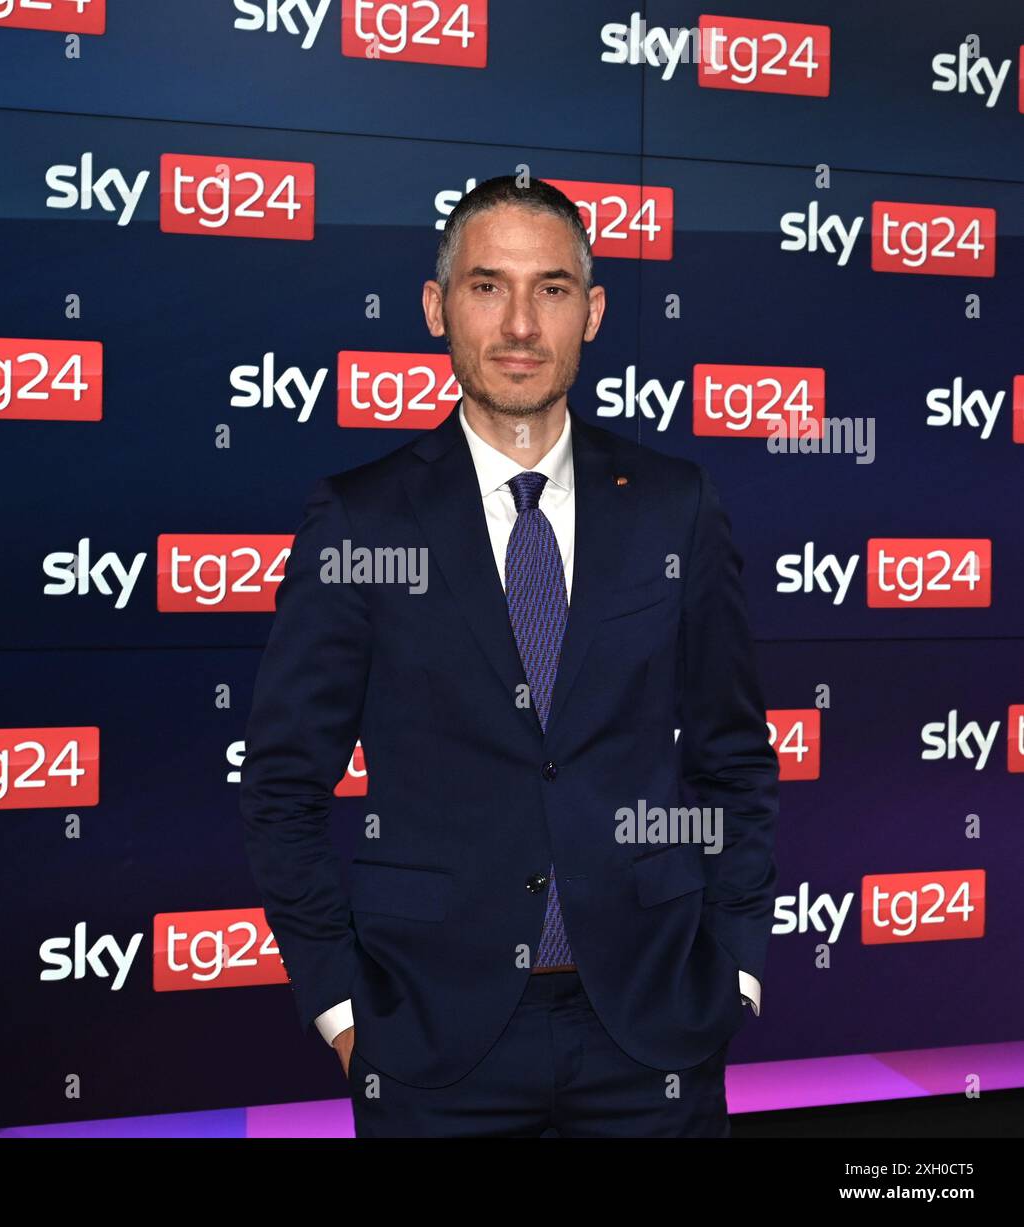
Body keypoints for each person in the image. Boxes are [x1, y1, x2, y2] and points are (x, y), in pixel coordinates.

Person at [240, 174, 779, 1137]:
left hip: (653, 1037)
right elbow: (284, 782)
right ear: (436, 307)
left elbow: (733, 757)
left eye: (554, 288)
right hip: (432, 1049)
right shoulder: (361, 516)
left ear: (594, 310)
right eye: (488, 285)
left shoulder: (674, 503)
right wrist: (342, 1008)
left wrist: (732, 966)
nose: (521, 323)